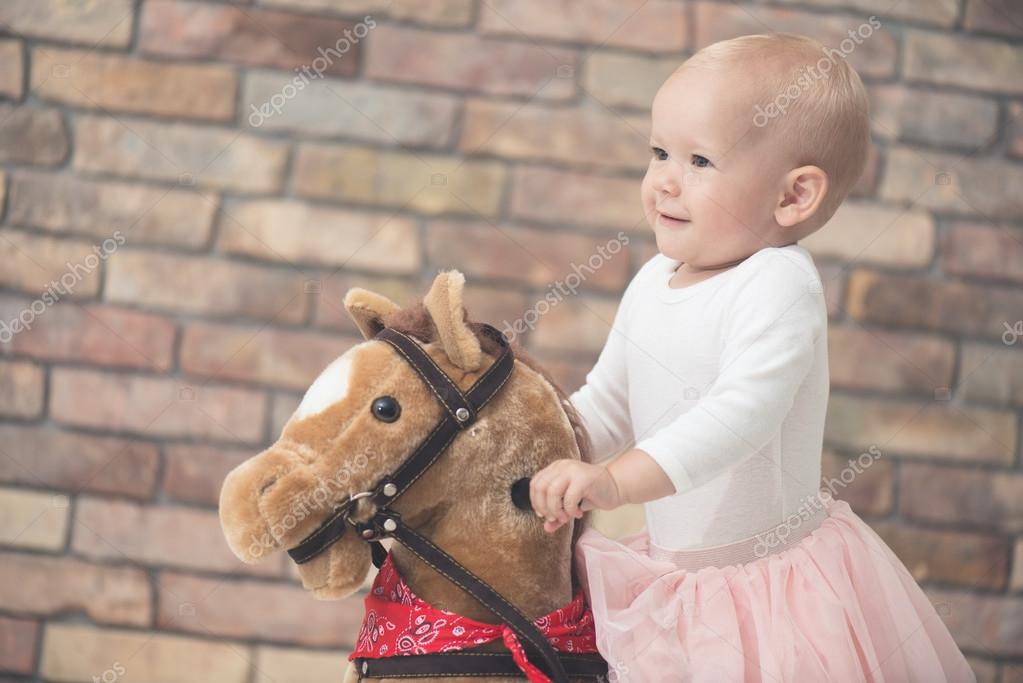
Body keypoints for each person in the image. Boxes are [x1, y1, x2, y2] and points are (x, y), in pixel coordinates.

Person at [529, 32, 975, 682]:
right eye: (658, 152)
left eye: (700, 161)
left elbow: (742, 415)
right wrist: (538, 449)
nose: (664, 181)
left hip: (770, 593)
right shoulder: (653, 279)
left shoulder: (775, 281)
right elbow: (608, 401)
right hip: (679, 581)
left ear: (793, 196)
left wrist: (616, 482)